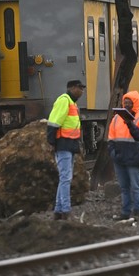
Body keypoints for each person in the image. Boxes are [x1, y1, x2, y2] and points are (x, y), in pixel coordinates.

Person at [46, 79, 85, 220]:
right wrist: (52, 142)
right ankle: (66, 210)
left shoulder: (72, 103)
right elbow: (54, 122)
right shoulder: (64, 101)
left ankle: (58, 210)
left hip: (69, 145)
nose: (82, 91)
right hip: (63, 144)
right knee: (65, 178)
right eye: (80, 88)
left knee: (65, 178)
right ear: (72, 88)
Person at [108, 90, 139, 220]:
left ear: (134, 104)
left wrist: (130, 123)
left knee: (135, 186)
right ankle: (126, 212)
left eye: (129, 102)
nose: (126, 105)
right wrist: (113, 153)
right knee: (124, 187)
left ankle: (138, 211)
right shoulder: (116, 118)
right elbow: (111, 138)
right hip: (120, 157)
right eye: (125, 102)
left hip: (134, 156)